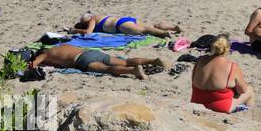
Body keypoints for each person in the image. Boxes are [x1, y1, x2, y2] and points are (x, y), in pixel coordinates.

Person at [27, 44, 169, 79]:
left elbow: (34, 65)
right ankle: (153, 60)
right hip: (90, 52)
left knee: (106, 69)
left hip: (82, 60)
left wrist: (32, 63)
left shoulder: (46, 54)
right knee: (124, 61)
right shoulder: (61, 46)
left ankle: (133, 71)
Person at [190, 35, 253, 114]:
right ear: (228, 49)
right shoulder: (232, 66)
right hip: (219, 106)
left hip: (197, 102)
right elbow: (242, 90)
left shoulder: (200, 60)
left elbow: (193, 80)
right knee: (249, 90)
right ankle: (248, 116)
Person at [73, 13, 181, 38]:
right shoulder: (98, 16)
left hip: (119, 25)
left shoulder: (92, 20)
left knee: (144, 31)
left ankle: (164, 33)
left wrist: (75, 31)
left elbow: (88, 32)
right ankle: (173, 27)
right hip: (125, 19)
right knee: (153, 25)